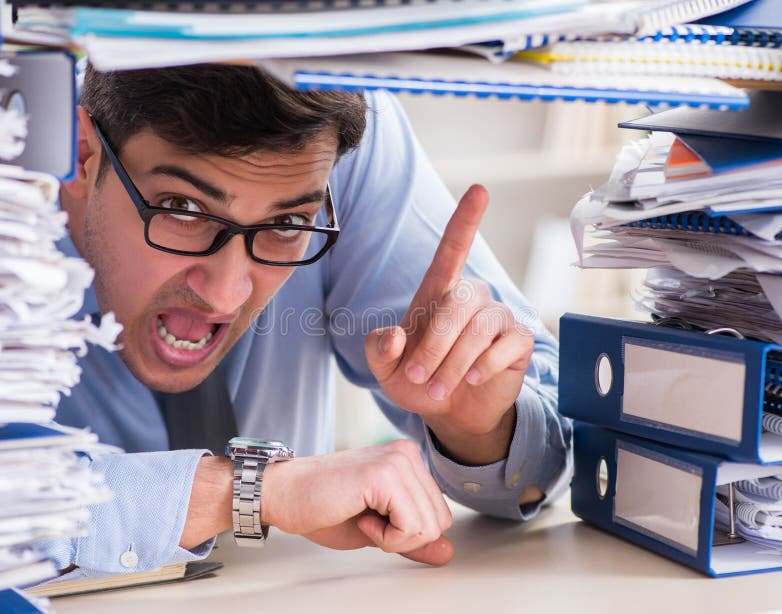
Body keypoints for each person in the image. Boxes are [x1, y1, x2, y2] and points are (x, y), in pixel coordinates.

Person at [49, 62, 571, 577]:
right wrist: (248, 490)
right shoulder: (17, 153)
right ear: (82, 155)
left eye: (288, 222)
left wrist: (480, 430)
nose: (227, 296)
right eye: (182, 207)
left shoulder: (341, 124)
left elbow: (561, 432)